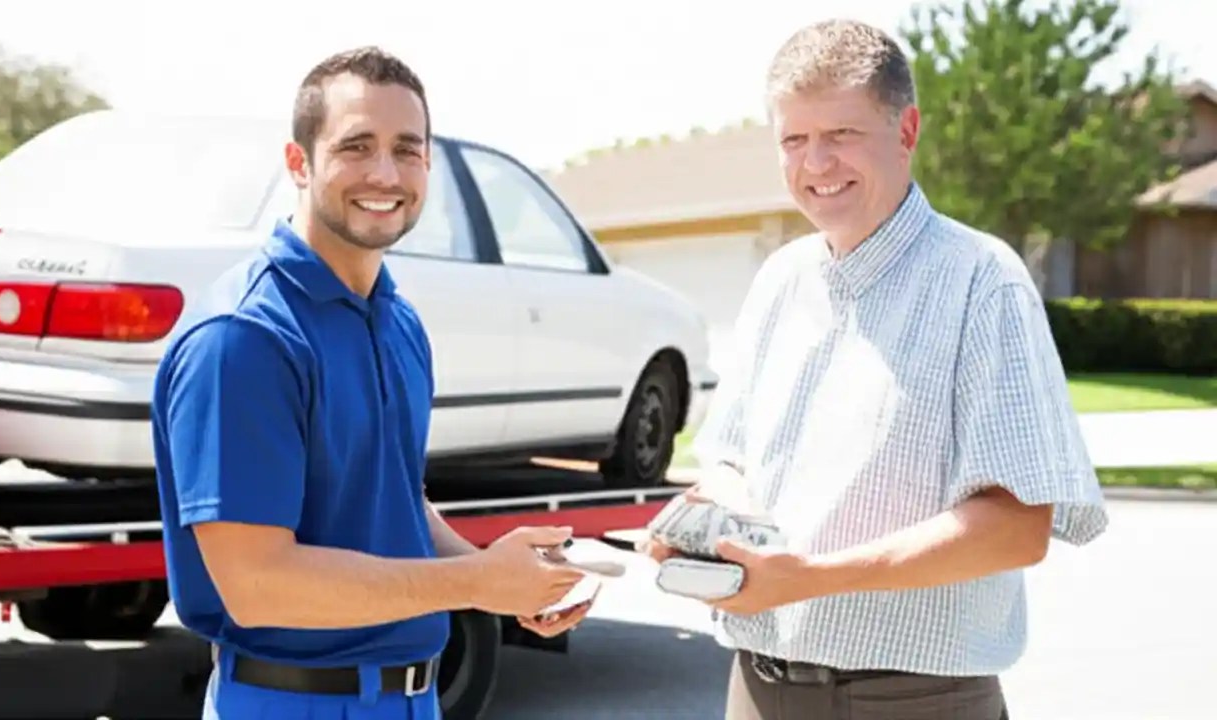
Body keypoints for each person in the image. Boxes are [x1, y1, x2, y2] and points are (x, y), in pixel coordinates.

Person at [645, 19, 1108, 720]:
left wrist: (806, 580)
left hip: (914, 700)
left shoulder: (983, 281)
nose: (816, 163)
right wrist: (704, 523)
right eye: (794, 141)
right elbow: (731, 462)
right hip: (756, 686)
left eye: (842, 135)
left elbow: (1016, 527)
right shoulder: (779, 280)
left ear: (908, 130)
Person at [151, 47, 592, 719]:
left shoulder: (398, 322)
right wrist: (475, 581)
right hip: (286, 705)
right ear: (299, 163)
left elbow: (397, 501)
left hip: (414, 703)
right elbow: (258, 584)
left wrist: (509, 580)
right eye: (356, 146)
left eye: (406, 150)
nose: (385, 173)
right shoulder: (244, 339)